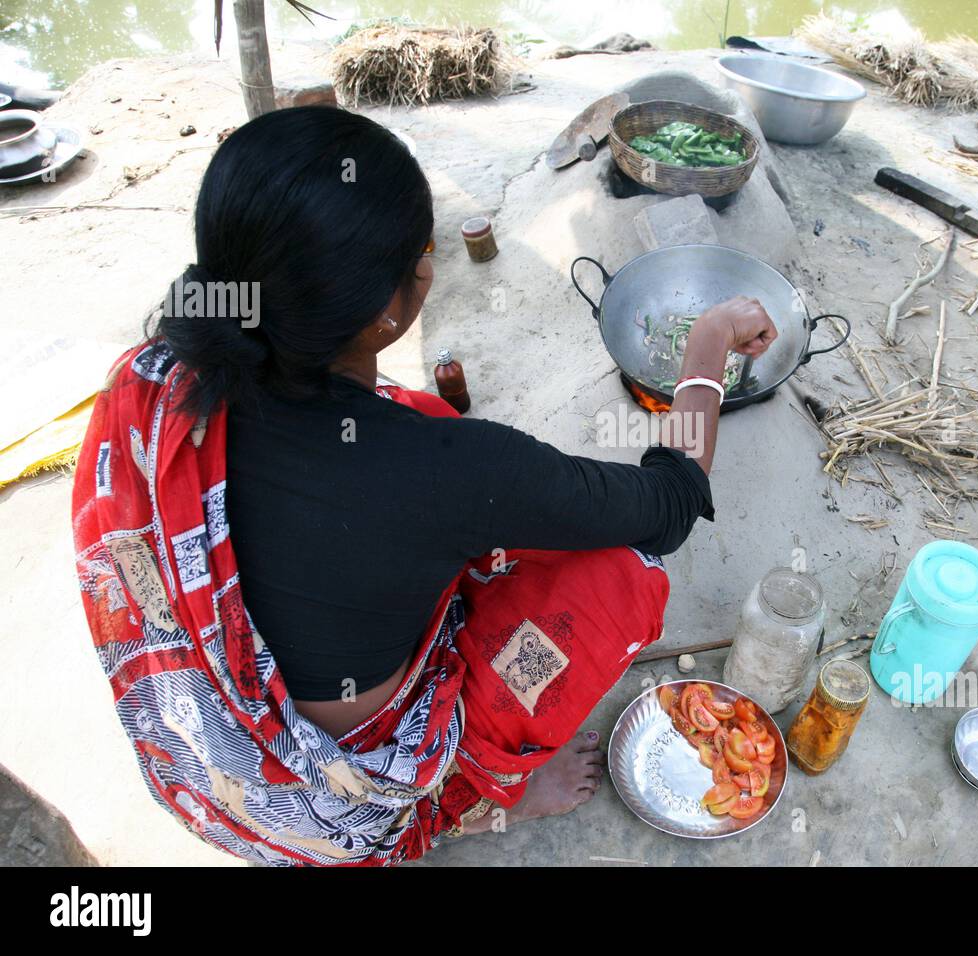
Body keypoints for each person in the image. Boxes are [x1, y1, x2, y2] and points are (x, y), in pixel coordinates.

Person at [71, 106, 778, 865]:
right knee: (624, 575)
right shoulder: (451, 468)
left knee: (415, 419)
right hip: (336, 801)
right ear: (386, 311)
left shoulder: (150, 379)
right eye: (425, 249)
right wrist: (705, 350)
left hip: (196, 760)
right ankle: (464, 801)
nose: (430, 261)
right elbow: (668, 506)